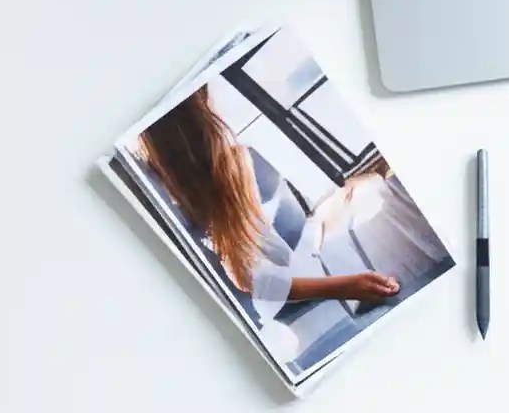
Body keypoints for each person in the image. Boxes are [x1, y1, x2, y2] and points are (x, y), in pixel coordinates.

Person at [137, 86, 401, 319]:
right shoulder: (226, 165)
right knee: (363, 192)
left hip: (279, 259)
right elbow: (256, 280)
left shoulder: (156, 174)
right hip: (279, 291)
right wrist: (345, 286)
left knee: (352, 193)